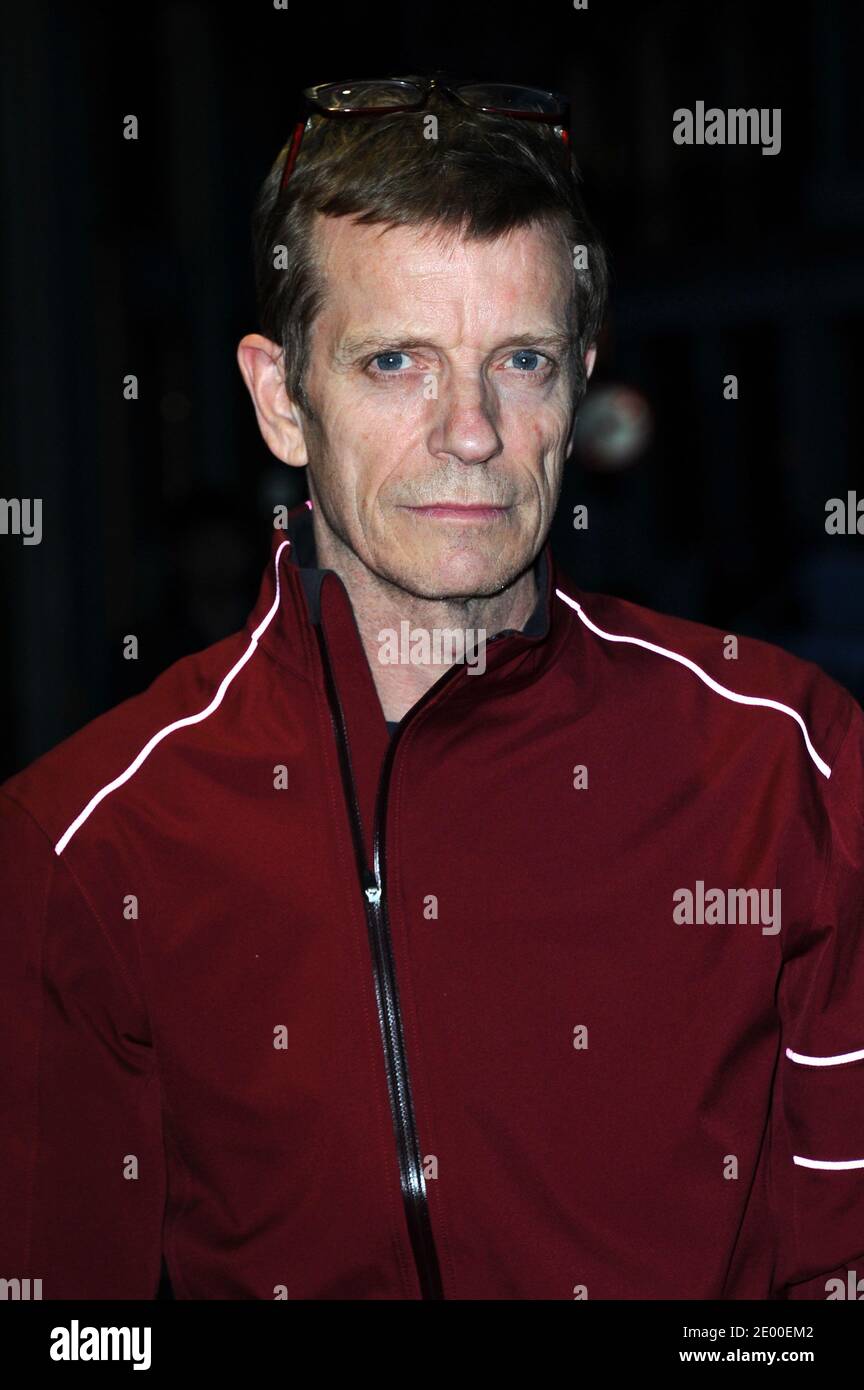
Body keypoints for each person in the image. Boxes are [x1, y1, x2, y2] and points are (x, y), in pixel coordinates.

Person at [1, 74, 862, 1302]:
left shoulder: (795, 765)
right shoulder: (88, 845)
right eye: (396, 360)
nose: (471, 431)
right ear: (280, 399)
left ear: (580, 383)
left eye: (521, 359)